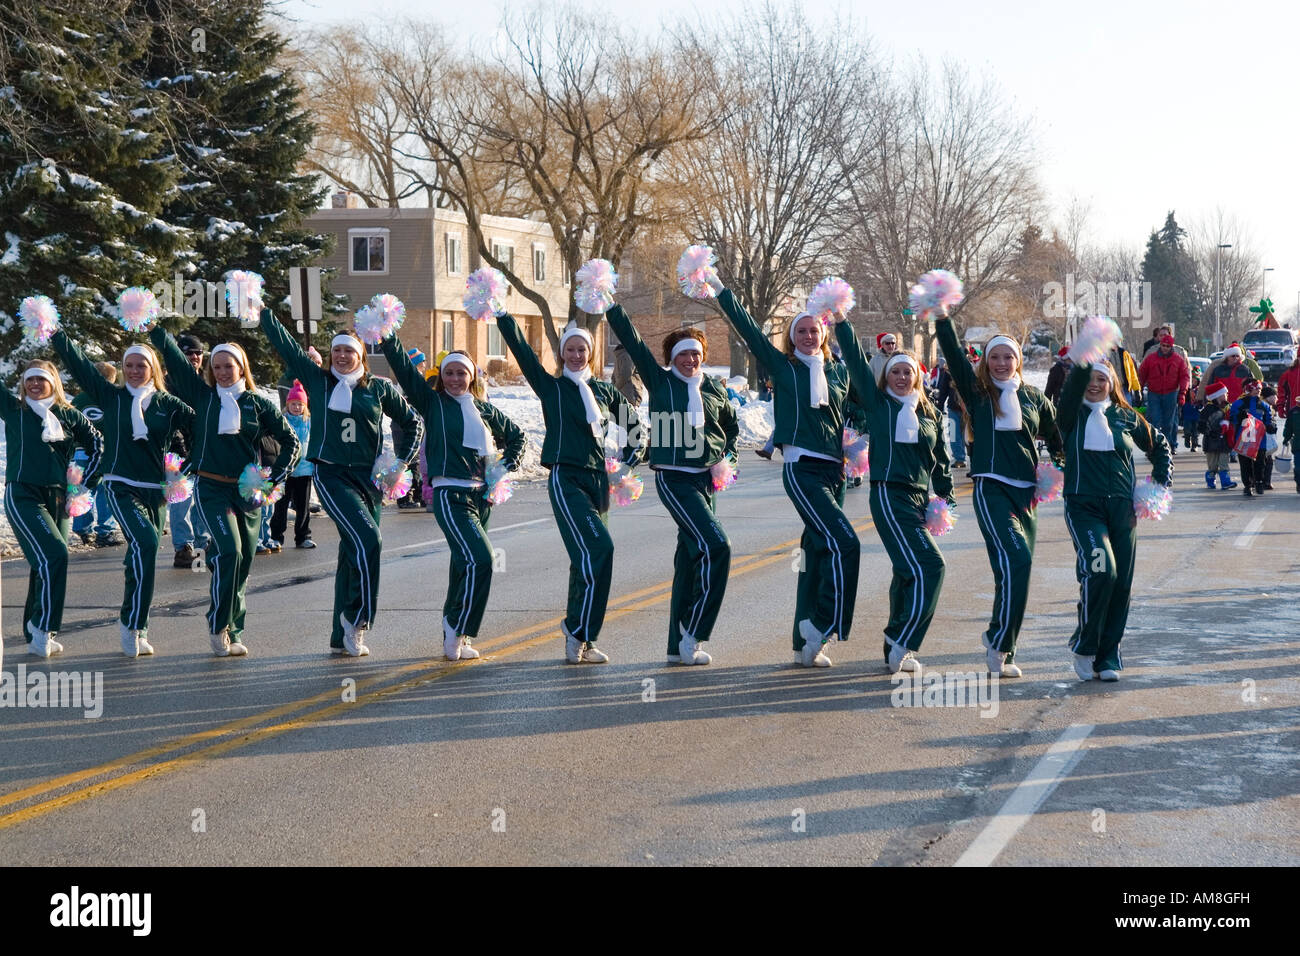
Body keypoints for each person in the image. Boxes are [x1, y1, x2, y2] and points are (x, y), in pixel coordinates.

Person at [710, 273, 859, 667]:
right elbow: (748, 329)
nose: (809, 336)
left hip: (835, 472)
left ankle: (804, 643)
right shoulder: (783, 366)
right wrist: (722, 291)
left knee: (815, 553)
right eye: (802, 331)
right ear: (792, 338)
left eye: (815, 330)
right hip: (802, 470)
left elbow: (858, 406)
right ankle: (824, 624)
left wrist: (859, 436)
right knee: (846, 543)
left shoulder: (839, 373)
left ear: (824, 334)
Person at [258, 309, 422, 657]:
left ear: (361, 355)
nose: (342, 356)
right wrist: (263, 314)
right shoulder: (319, 381)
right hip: (331, 474)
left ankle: (340, 634)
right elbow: (287, 347)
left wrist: (400, 463)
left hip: (370, 479)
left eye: (349, 351)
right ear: (330, 355)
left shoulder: (378, 388)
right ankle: (360, 619)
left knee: (353, 552)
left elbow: (413, 423)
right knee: (369, 539)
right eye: (337, 351)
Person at [496, 309, 644, 664]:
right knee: (600, 549)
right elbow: (522, 350)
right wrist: (502, 314)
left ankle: (582, 638)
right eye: (570, 349)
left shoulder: (605, 391)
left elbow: (637, 432)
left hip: (599, 480)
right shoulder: (551, 387)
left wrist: (626, 464)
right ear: (562, 353)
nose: (576, 355)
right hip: (566, 477)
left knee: (586, 561)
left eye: (582, 350)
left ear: (590, 353)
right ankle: (579, 629)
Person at [150, 327, 300, 658]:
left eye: (227, 366)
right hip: (211, 487)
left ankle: (235, 627)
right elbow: (175, 359)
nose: (221, 372)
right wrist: (156, 331)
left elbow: (292, 441)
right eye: (215, 367)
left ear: (241, 368)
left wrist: (274, 478)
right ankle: (218, 626)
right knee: (228, 553)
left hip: (248, 492)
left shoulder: (259, 405)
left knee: (244, 562)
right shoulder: (203, 397)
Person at [605, 300, 738, 665]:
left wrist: (728, 460)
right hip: (674, 478)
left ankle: (676, 645)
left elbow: (730, 429)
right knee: (717, 545)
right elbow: (633, 342)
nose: (690, 360)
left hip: (706, 480)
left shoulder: (713, 388)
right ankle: (695, 632)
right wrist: (613, 306)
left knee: (691, 557)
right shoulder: (660, 381)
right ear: (672, 358)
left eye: (696, 354)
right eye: (684, 355)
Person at [380, 337, 526, 661]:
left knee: (464, 563)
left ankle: (458, 631)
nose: (456, 379)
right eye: (450, 373)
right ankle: (457, 624)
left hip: (482, 496)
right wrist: (388, 337)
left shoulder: (484, 410)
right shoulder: (433, 404)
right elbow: (405, 371)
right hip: (450, 494)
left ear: (472, 376)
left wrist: (504, 467)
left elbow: (517, 436)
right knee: (483, 560)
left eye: (462, 373)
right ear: (442, 376)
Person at [51, 330, 195, 657]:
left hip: (157, 491)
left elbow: (202, 428)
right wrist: (57, 334)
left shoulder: (169, 405)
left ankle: (138, 624)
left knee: (140, 557)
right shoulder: (111, 396)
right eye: (128, 365)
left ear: (152, 369)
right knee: (145, 544)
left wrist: (182, 467)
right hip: (120, 485)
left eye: (140, 365)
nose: (133, 370)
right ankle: (131, 624)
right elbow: (81, 365)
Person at [935, 318, 1062, 677]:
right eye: (996, 358)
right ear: (986, 362)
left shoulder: (1033, 396)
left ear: (1018, 360)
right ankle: (999, 639)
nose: (1003, 363)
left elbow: (1057, 433)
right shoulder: (977, 393)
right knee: (1016, 561)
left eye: (1009, 357)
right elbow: (952, 354)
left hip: (1028, 496)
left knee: (1013, 573)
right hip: (991, 490)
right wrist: (942, 316)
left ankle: (1004, 647)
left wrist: (1062, 462)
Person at [830, 315, 952, 673]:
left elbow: (940, 458)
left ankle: (893, 644)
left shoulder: (927, 412)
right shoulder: (878, 403)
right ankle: (904, 638)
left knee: (906, 570)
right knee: (931, 565)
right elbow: (853, 356)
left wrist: (944, 497)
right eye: (896, 371)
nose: (902, 377)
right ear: (887, 375)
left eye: (908, 372)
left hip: (919, 498)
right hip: (888, 494)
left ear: (917, 375)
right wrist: (841, 322)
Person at [1056, 358, 1171, 682]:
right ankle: (1085, 645)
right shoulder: (1070, 415)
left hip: (1123, 510)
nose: (1094, 384)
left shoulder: (1125, 416)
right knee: (1101, 571)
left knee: (1121, 584)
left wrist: (1158, 485)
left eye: (1101, 379)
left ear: (1112, 384)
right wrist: (1085, 354)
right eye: (1088, 379)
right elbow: (1068, 393)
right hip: (1083, 507)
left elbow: (1159, 445)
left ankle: (1109, 654)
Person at [3, 361, 103, 658]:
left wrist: (87, 481)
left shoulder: (70, 414)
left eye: (41, 379)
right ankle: (43, 629)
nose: (34, 384)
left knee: (45, 563)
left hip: (59, 498)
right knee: (55, 554)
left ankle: (34, 627)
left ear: (54, 382)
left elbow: (98, 444)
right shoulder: (14, 409)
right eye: (29, 379)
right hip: (23, 494)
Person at [70, 360, 121, 547]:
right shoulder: (109, 398)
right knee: (105, 492)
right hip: (103, 453)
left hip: (78, 454)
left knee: (79, 490)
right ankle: (105, 530)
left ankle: (83, 529)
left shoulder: (78, 400)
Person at [169, 334, 209, 568]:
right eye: (188, 352)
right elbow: (168, 417)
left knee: (202, 497)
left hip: (203, 449)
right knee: (181, 498)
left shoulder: (206, 380)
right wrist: (179, 444)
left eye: (198, 352)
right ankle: (183, 547)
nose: (194, 356)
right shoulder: (169, 381)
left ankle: (202, 542)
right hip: (177, 451)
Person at [269, 380, 315, 549]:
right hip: (285, 471)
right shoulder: (282, 421)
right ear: (287, 404)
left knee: (303, 506)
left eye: (300, 404)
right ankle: (275, 536)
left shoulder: (309, 422)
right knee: (280, 505)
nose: (296, 407)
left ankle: (303, 536)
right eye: (293, 404)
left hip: (304, 470)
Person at [1137, 334, 1190, 452]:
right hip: (1154, 393)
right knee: (1154, 420)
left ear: (1171, 346)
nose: (1165, 348)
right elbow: (1142, 374)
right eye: (1163, 345)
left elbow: (1184, 377)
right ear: (1160, 345)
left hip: (1171, 393)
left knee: (1168, 422)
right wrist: (1138, 390)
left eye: (1167, 346)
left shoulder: (1178, 360)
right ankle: (1154, 445)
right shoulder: (1151, 358)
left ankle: (1167, 445)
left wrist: (1182, 393)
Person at [1228, 379, 1275, 496]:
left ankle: (1259, 482)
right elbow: (1232, 419)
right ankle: (1247, 485)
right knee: (1245, 464)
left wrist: (1271, 426)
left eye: (1259, 389)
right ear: (1248, 389)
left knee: (1260, 462)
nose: (1258, 391)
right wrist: (1239, 418)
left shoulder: (1264, 405)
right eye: (1255, 388)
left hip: (1260, 440)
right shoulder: (1239, 404)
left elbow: (1269, 419)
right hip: (1244, 438)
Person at [1197, 384, 1235, 489]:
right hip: (1211, 442)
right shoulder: (1207, 410)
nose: (1227, 395)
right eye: (1225, 393)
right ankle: (1210, 481)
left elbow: (1233, 419)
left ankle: (1225, 482)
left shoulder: (1228, 407)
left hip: (1224, 442)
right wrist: (1211, 432)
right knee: (1212, 465)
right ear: (1218, 396)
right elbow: (1201, 427)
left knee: (1224, 462)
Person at [934, 357, 967, 469]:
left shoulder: (969, 373)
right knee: (954, 435)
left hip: (967, 410)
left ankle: (973, 459)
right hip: (953, 408)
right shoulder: (948, 374)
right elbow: (943, 391)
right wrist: (939, 407)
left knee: (967, 436)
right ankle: (959, 459)